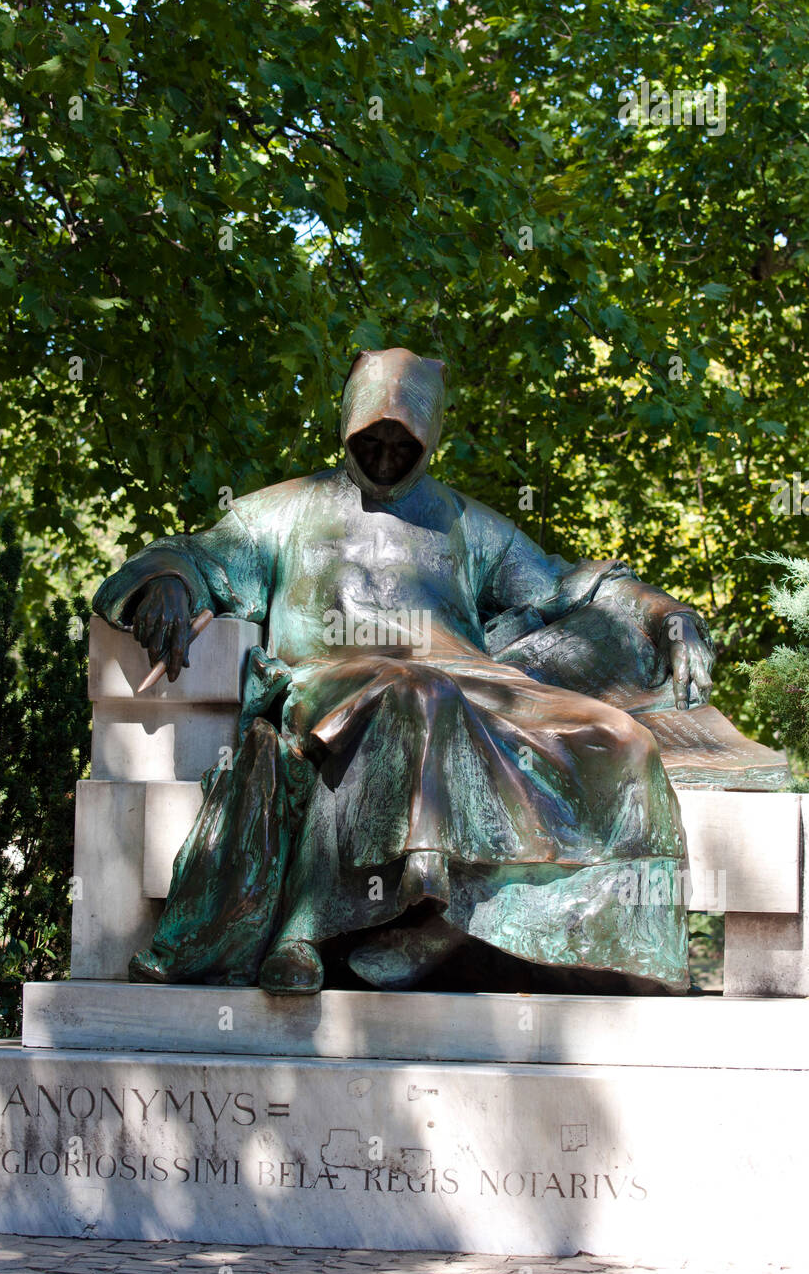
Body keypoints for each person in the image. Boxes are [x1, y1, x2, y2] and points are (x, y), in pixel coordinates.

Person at [93, 348, 715, 995]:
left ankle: (581, 949)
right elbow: (193, 556)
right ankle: (327, 926)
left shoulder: (469, 525)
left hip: (471, 689)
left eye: (404, 443)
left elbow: (568, 587)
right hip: (329, 683)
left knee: (618, 737)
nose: (386, 455)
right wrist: (166, 581)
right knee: (418, 693)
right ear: (347, 429)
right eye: (373, 439)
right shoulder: (280, 512)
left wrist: (663, 612)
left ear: (430, 439)